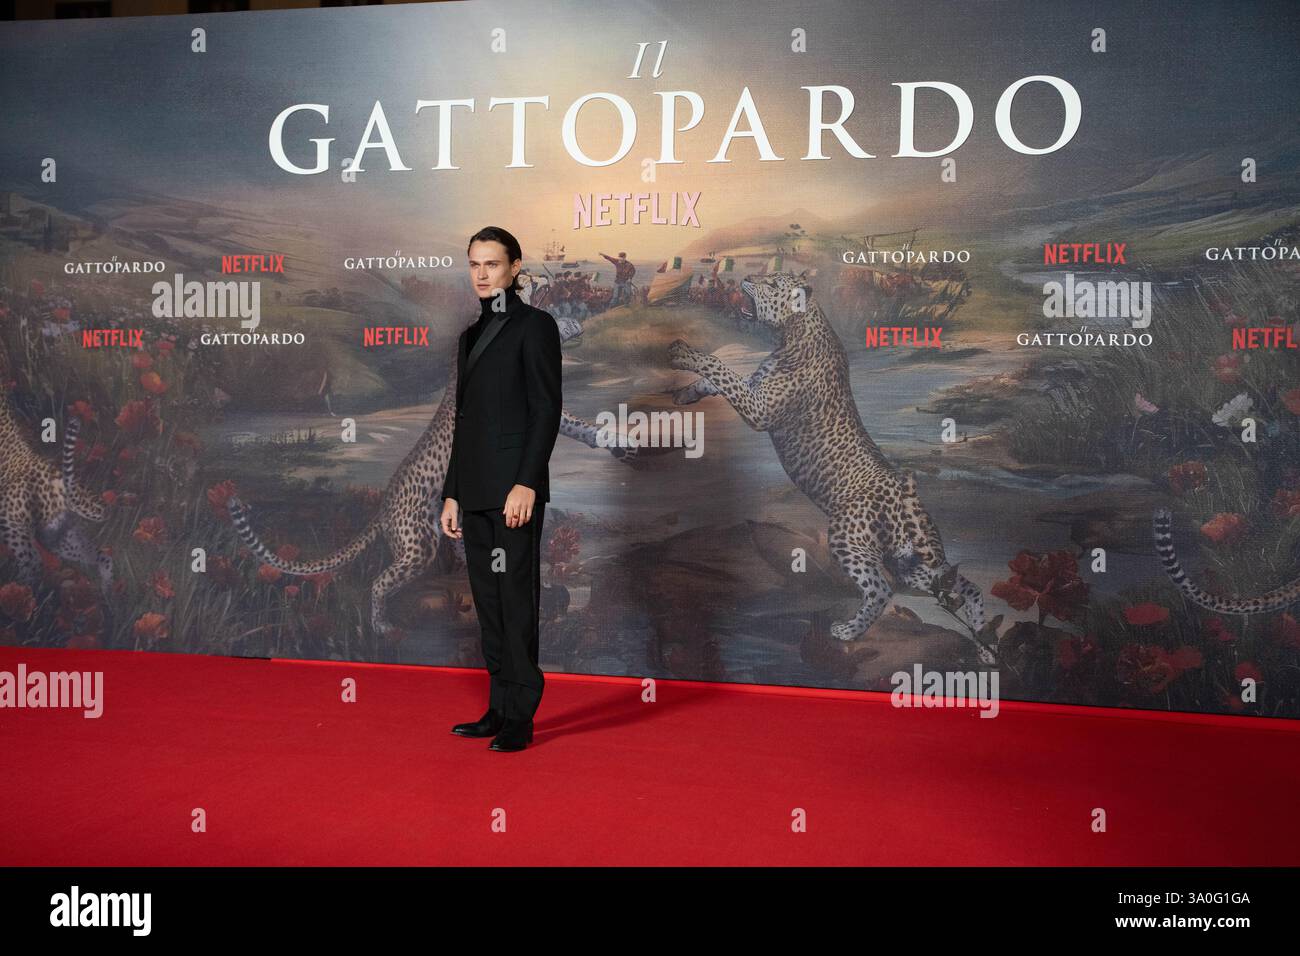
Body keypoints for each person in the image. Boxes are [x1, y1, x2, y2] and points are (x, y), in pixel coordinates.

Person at [440, 226, 562, 752]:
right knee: (488, 602)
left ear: (515, 267)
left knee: (515, 600)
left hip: (514, 491)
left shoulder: (536, 326)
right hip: (475, 491)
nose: (482, 274)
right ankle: (497, 707)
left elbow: (545, 410)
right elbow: (461, 423)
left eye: (492, 264)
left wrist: (526, 483)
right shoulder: (469, 336)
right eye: (474, 264)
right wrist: (452, 492)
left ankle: (522, 714)